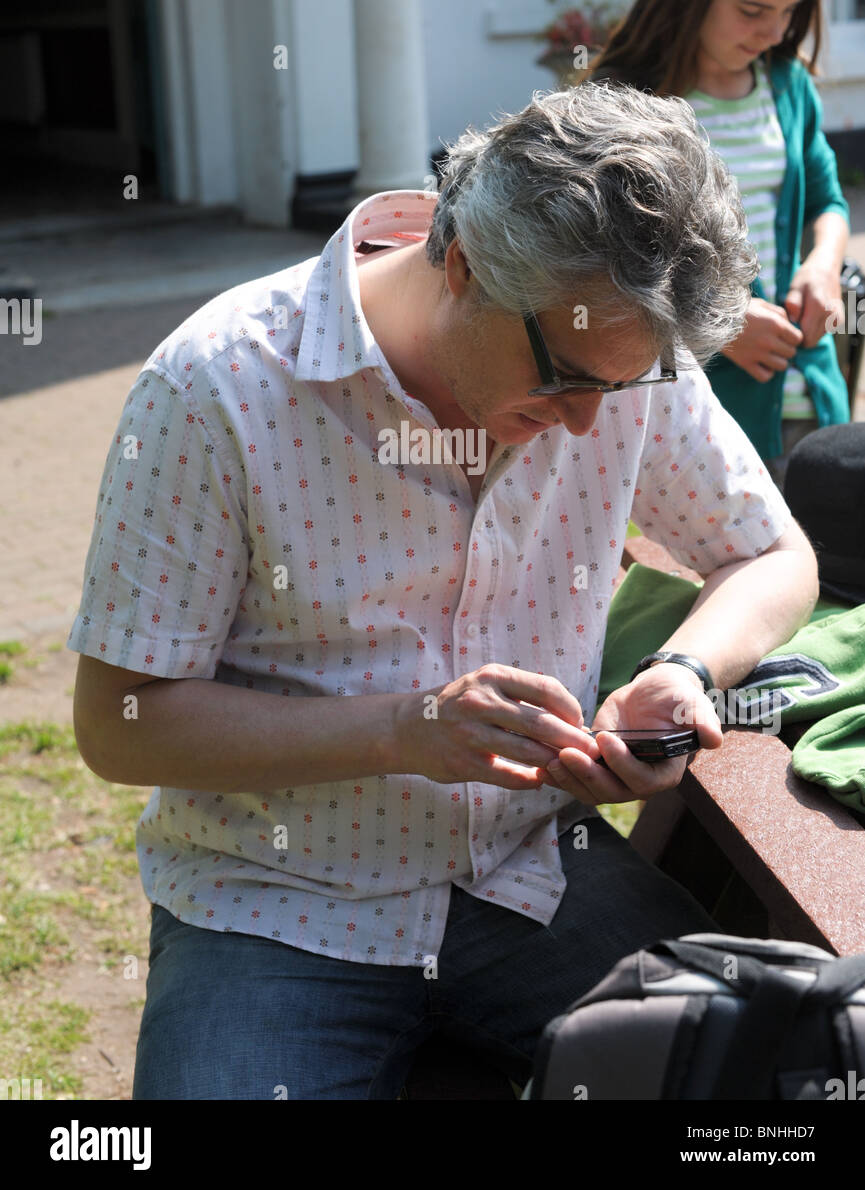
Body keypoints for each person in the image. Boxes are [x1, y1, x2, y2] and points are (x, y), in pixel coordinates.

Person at [69, 81, 819, 1100]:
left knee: (790, 1073)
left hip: (531, 874)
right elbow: (120, 724)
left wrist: (683, 671)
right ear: (460, 261)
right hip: (278, 901)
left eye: (622, 386)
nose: (589, 426)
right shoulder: (213, 386)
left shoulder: (614, 346)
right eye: (563, 380)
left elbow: (772, 556)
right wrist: (399, 730)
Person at [580, 0, 851, 486]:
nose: (775, 31)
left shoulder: (789, 88)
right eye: (753, 9)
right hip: (689, 408)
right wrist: (719, 319)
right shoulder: (625, 103)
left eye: (790, 11)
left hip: (806, 392)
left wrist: (823, 265)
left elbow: (829, 201)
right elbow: (601, 262)